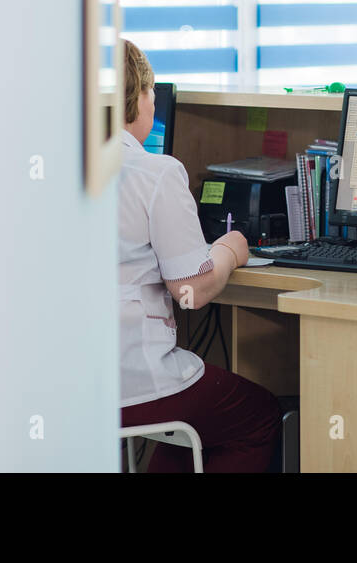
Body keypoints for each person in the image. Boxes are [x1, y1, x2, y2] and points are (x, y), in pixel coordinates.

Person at [117, 39, 281, 472]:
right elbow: (190, 289)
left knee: (200, 423)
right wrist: (228, 251)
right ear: (141, 95)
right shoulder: (154, 172)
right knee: (258, 416)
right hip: (131, 381)